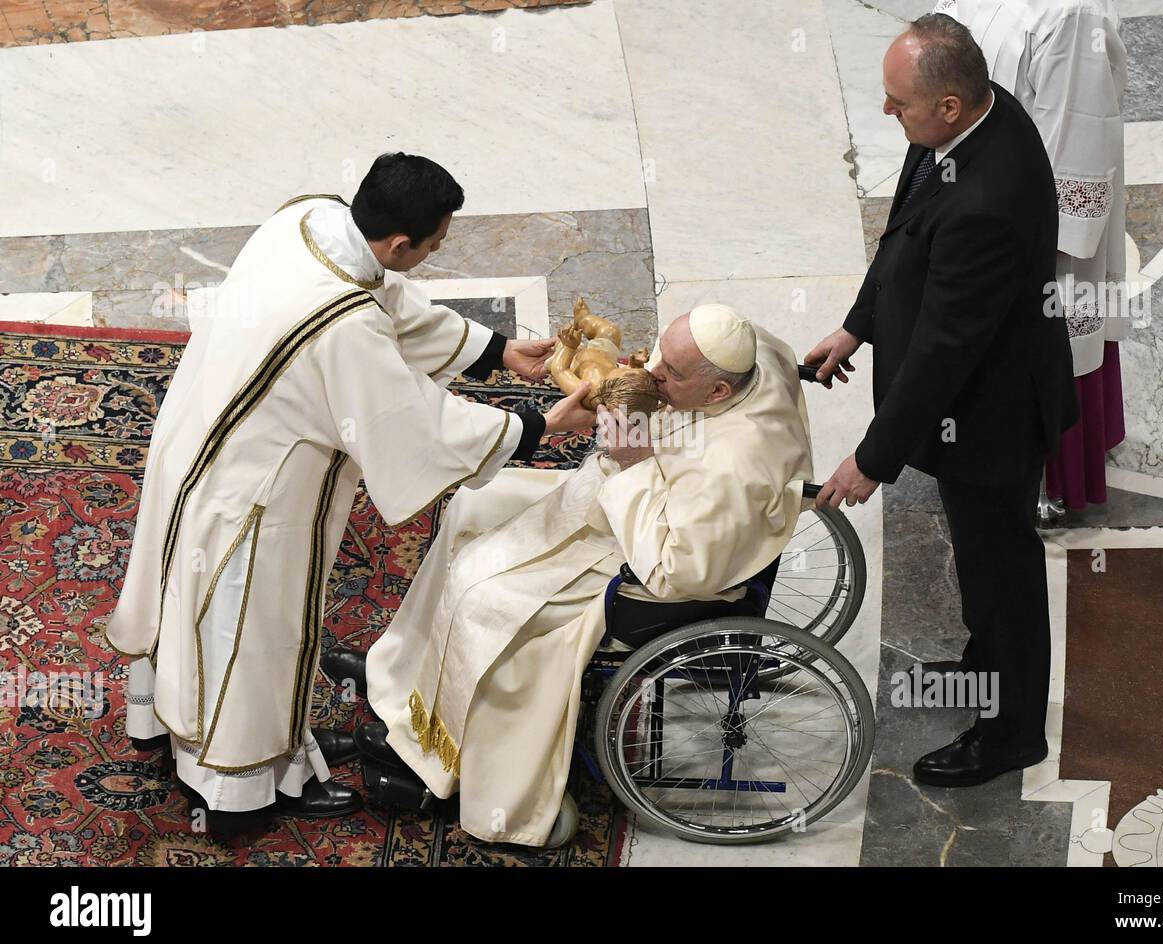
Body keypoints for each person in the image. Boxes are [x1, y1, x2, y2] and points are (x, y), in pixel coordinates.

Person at [106, 153, 594, 833]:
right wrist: (539, 425)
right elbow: (416, 427)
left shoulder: (309, 219)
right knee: (249, 631)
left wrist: (497, 351)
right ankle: (242, 791)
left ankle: (171, 725)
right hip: (257, 497)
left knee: (191, 602)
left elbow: (384, 299)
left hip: (195, 433)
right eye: (434, 245)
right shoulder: (342, 327)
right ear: (401, 243)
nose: (433, 254)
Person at [339, 306, 813, 848]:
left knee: (483, 599)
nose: (654, 372)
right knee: (473, 506)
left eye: (671, 375)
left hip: (642, 566)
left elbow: (674, 573)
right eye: (662, 354)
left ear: (719, 393)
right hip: (622, 505)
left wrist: (633, 462)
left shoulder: (737, 464)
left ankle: (451, 773)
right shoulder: (760, 351)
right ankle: (404, 679)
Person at [805, 14, 1077, 786]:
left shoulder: (986, 200)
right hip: (978, 392)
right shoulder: (965, 128)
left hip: (991, 420)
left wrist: (872, 458)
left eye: (899, 103)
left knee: (1001, 576)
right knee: (986, 566)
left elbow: (942, 353)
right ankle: (986, 660)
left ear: (950, 105)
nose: (888, 113)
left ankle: (1009, 734)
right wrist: (857, 327)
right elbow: (905, 241)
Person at [935, 0, 1128, 515]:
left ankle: (1048, 481)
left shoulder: (1074, 14)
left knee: (1046, 336)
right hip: (974, 187)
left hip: (1033, 216)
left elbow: (1078, 128)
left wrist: (1033, 236)